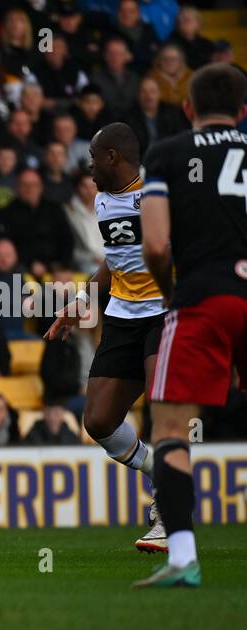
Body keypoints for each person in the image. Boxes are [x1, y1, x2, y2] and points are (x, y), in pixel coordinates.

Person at [133, 64, 247, 588]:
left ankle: (182, 558)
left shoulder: (169, 152)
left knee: (171, 430)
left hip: (202, 297)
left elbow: (155, 244)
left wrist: (168, 289)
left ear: (187, 108)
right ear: (243, 112)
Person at [46, 123, 168, 554]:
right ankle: (161, 472)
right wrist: (77, 304)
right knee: (97, 420)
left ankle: (170, 512)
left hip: (164, 312)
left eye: (94, 157)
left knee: (162, 402)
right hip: (121, 317)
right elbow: (113, 261)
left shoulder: (159, 195)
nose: (90, 166)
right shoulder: (101, 200)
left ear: (114, 157)